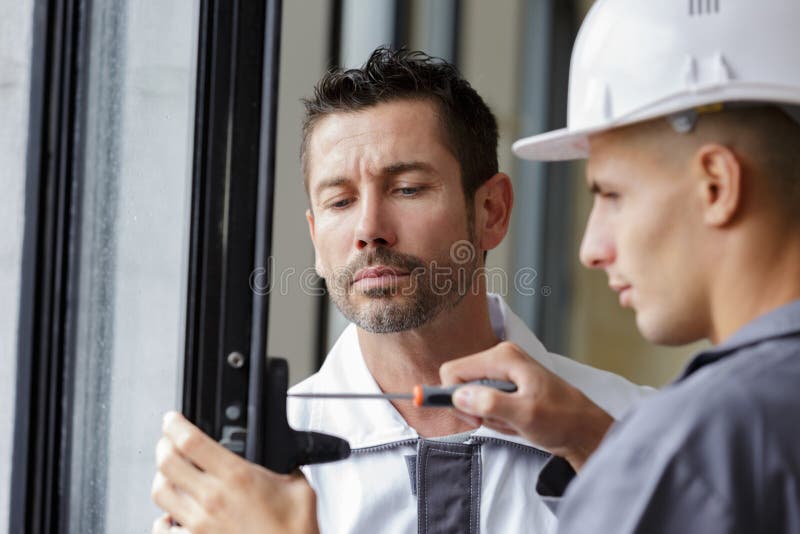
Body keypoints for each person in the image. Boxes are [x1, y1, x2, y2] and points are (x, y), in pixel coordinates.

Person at [150, 47, 650, 533]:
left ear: (491, 212)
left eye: (407, 189)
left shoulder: (638, 430)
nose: (369, 229)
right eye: (340, 201)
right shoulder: (240, 480)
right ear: (316, 242)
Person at [439, 0, 800, 531]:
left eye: (611, 194)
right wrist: (592, 437)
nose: (592, 248)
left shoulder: (704, 440)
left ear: (716, 186)